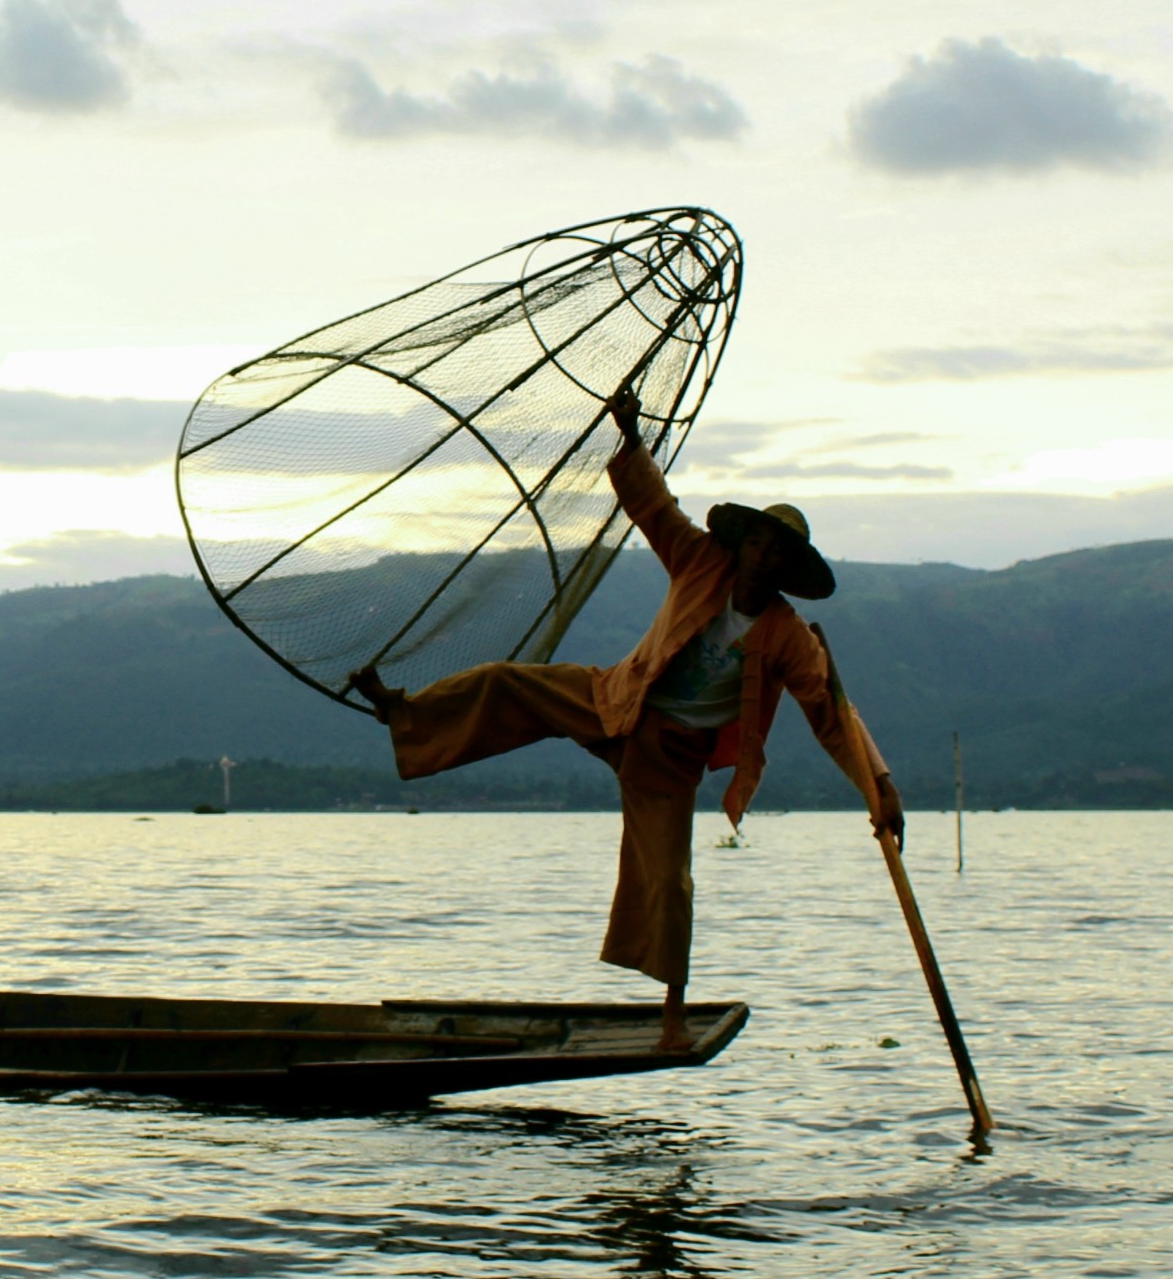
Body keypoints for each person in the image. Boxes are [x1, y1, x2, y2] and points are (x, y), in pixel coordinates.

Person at [349, 388, 903, 1051]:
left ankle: (672, 1012)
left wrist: (880, 787)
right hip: (617, 697)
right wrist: (632, 435)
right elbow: (653, 507)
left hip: (671, 751)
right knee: (506, 682)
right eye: (759, 542)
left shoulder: (786, 635)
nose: (763, 556)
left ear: (786, 569)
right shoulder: (702, 560)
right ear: (745, 543)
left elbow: (833, 714)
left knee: (666, 877)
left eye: (777, 553)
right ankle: (401, 711)